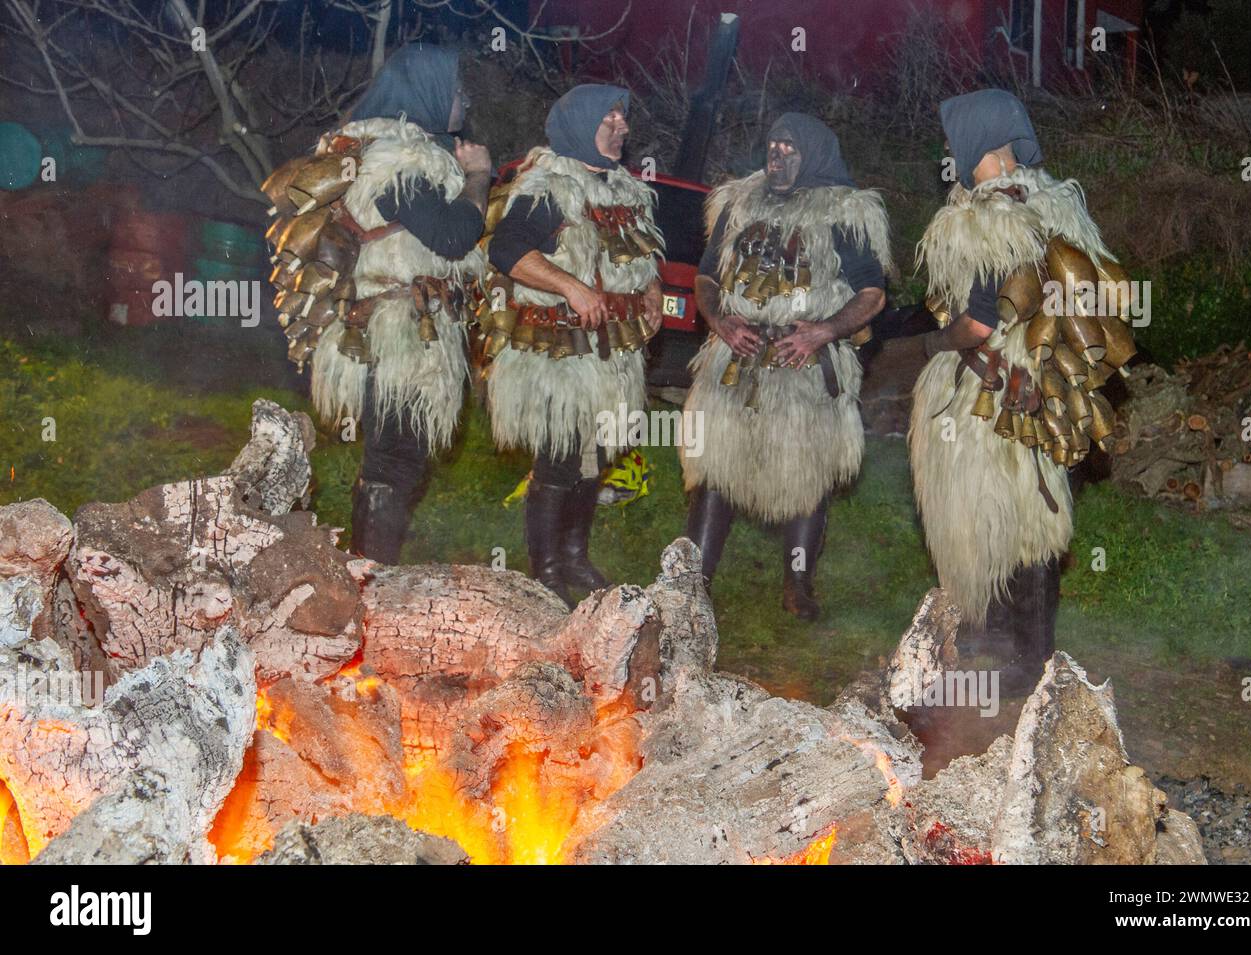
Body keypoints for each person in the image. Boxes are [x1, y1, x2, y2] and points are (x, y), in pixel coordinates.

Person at [909, 89, 1136, 690]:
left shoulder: (983, 221)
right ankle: (1011, 637)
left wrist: (935, 343)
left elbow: (979, 323)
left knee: (1000, 510)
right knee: (1027, 510)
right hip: (1045, 384)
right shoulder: (1052, 206)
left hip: (996, 388)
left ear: (973, 148)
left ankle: (1027, 655)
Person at [682, 113, 891, 621]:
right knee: (717, 468)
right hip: (735, 358)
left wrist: (822, 331)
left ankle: (798, 584)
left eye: (790, 149)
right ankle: (690, 581)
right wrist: (719, 321)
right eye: (773, 147)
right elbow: (706, 277)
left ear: (814, 154)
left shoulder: (845, 212)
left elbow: (873, 293)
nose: (778, 157)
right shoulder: (738, 203)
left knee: (806, 477)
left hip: (804, 366)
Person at [302, 44, 491, 564]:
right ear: (427, 92)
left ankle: (364, 571)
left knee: (394, 458)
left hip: (399, 324)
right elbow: (454, 236)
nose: (464, 100)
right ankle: (368, 579)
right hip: (399, 332)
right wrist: (479, 176)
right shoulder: (399, 161)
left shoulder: (389, 151)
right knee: (397, 462)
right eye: (455, 90)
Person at [484, 84, 662, 606]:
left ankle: (574, 556)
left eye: (623, 118)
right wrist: (572, 286)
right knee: (560, 461)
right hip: (560, 356)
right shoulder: (548, 187)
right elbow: (508, 249)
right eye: (610, 117)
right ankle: (544, 570)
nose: (622, 126)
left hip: (614, 358)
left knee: (599, 457)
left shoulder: (627, 191)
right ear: (581, 123)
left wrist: (650, 292)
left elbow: (640, 256)